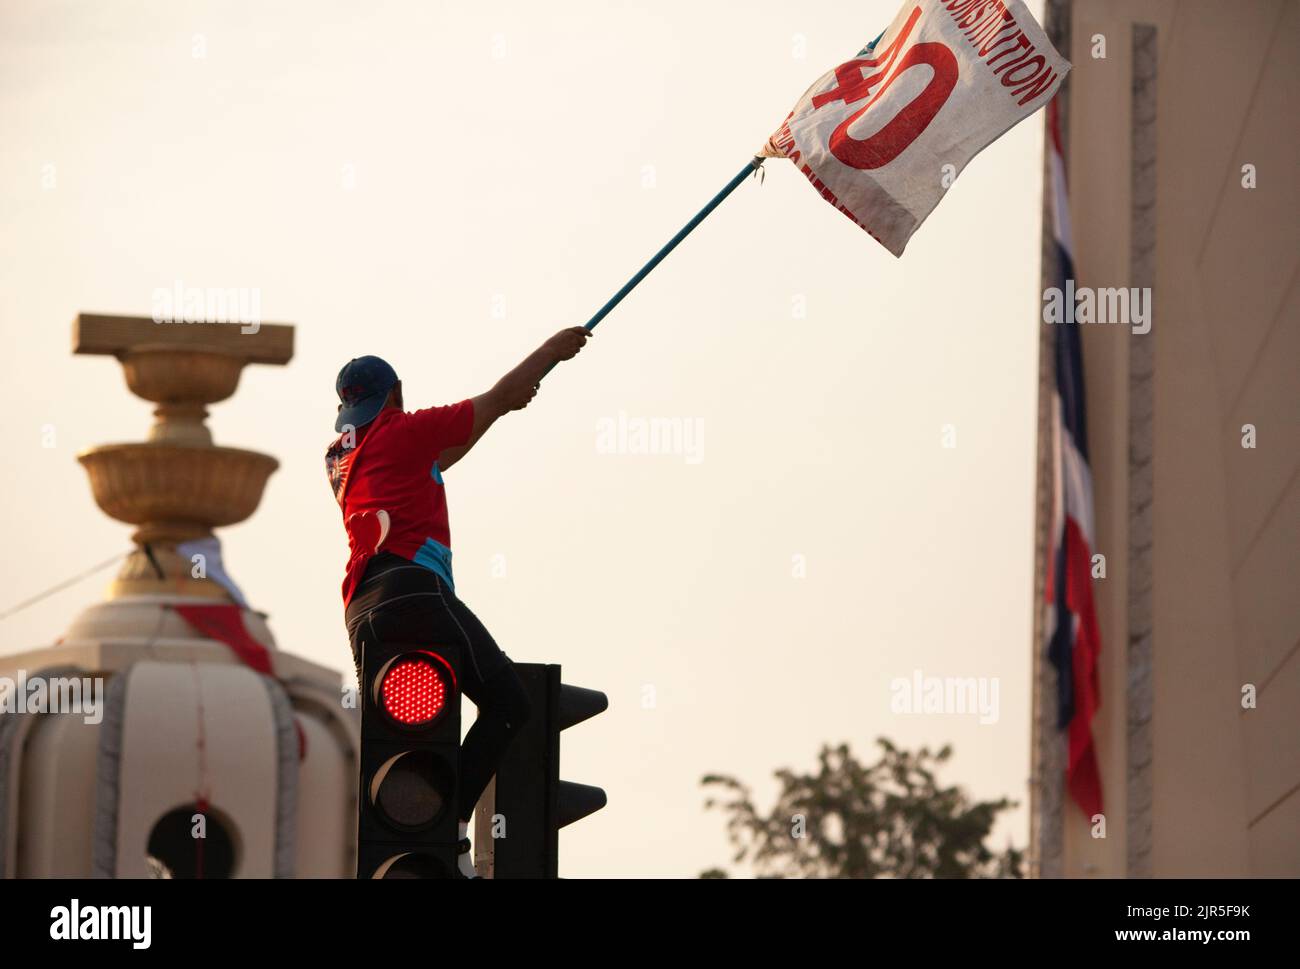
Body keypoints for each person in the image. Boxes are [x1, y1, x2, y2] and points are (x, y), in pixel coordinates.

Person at [325, 326, 592, 878]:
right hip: (414, 589)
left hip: (363, 613)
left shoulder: (344, 457)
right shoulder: (404, 431)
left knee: (402, 745)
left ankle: (416, 839)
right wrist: (549, 353)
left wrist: (498, 410)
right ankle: (451, 826)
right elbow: (495, 399)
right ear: (397, 394)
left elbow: (446, 452)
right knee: (509, 704)